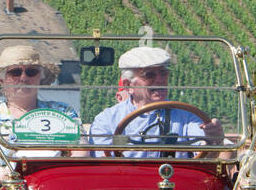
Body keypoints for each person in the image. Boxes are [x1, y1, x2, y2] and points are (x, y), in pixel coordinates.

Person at [0, 42, 79, 185]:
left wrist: (61, 174)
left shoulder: (63, 111)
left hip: (55, 187)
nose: (24, 78)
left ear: (40, 78)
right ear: (1, 79)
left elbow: (81, 149)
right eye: (15, 72)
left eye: (31, 72)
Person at [89, 46, 223, 156]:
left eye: (164, 73)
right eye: (150, 75)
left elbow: (204, 153)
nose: (160, 80)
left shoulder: (187, 117)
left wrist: (212, 138)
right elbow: (104, 165)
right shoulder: (106, 120)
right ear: (128, 85)